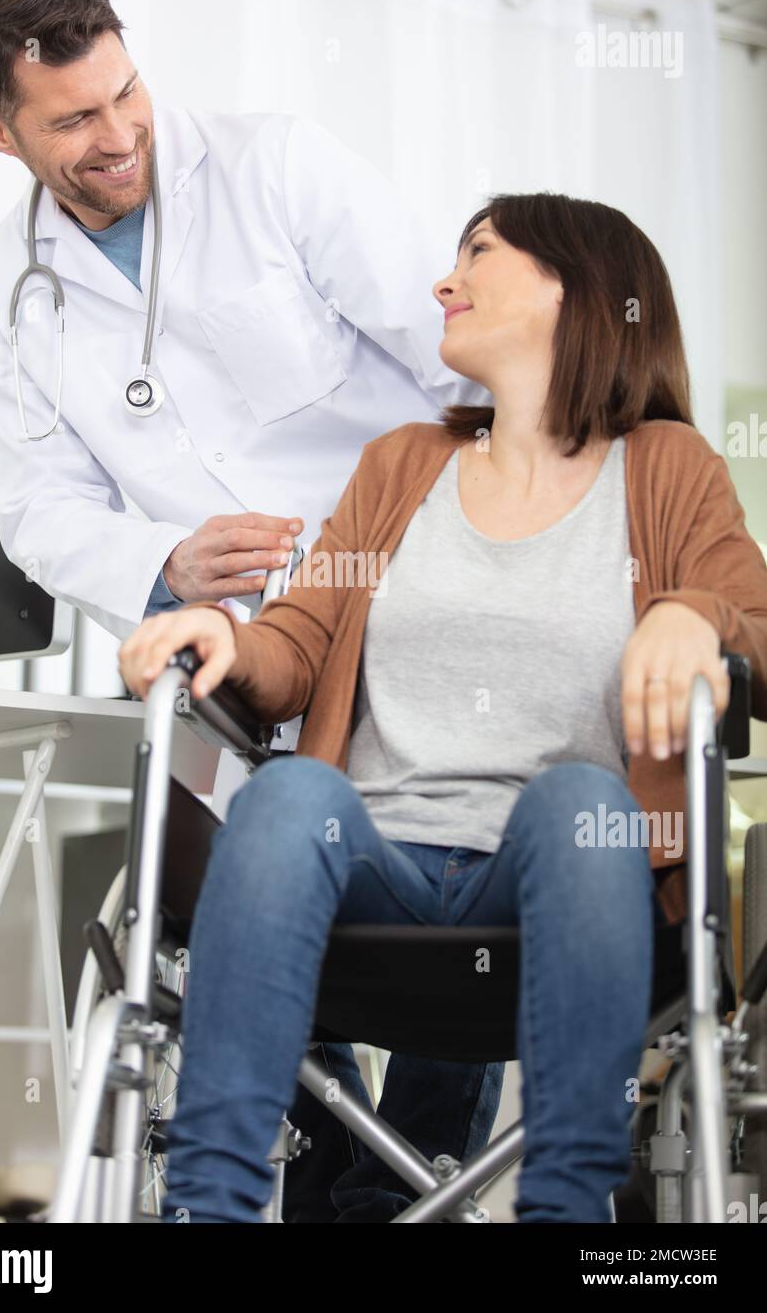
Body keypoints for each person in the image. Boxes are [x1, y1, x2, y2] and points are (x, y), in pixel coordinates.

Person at [0, 0, 499, 1222]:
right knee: (252, 911)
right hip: (227, 650)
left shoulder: (276, 168)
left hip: (400, 600)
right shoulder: (4, 280)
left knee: (439, 888)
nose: (118, 133)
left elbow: (451, 357)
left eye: (125, 93)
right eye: (72, 121)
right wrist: (159, 562)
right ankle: (347, 1192)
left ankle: (411, 1195)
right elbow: (36, 507)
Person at [120, 192, 767, 1223]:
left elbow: (752, 623)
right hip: (375, 880)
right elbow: (294, 647)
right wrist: (225, 638)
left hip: (565, 887)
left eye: (477, 253)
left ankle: (566, 1218)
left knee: (573, 802)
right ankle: (214, 1213)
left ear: (574, 286)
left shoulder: (666, 469)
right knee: (287, 795)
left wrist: (695, 615)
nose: (443, 280)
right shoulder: (401, 464)